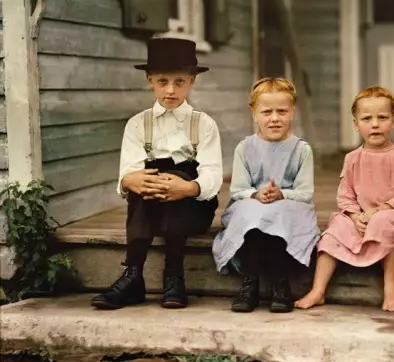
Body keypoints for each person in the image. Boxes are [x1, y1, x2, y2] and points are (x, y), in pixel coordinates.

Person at [91, 38, 223, 310]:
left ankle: (173, 273)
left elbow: (212, 174)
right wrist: (131, 180)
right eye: (162, 81)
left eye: (179, 82)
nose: (170, 90)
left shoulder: (204, 124)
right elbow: (127, 173)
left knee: (175, 174)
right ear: (150, 80)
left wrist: (188, 188)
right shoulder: (138, 124)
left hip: (192, 207)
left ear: (191, 81)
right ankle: (133, 275)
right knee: (144, 181)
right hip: (149, 206)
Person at [295, 86, 394, 312]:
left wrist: (382, 209)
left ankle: (390, 281)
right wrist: (354, 215)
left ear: (393, 120)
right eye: (367, 118)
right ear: (356, 123)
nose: (375, 124)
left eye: (382, 117)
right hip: (361, 218)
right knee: (335, 227)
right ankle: (318, 290)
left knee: (383, 221)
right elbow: (345, 194)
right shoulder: (352, 158)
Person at [212, 77, 320, 313]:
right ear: (254, 113)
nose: (274, 118)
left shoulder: (301, 150)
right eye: (266, 112)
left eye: (282, 111)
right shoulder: (245, 148)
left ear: (293, 111)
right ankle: (250, 281)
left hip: (289, 205)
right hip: (251, 203)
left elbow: (304, 192)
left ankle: (280, 282)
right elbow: (238, 189)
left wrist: (282, 193)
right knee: (253, 214)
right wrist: (256, 194)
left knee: (278, 214)